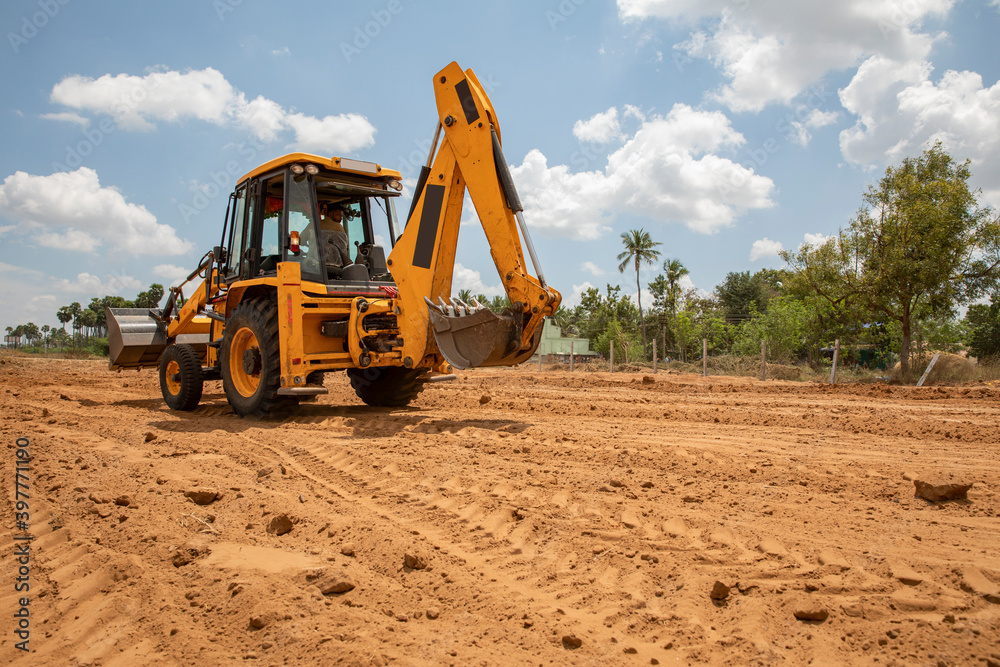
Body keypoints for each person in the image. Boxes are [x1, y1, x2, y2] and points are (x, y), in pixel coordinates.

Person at [319, 203, 352, 271]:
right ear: (330, 214)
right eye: (338, 215)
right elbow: (345, 245)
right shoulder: (339, 227)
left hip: (316, 266)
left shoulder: (316, 224)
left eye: (342, 216)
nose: (340, 219)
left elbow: (301, 239)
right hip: (337, 266)